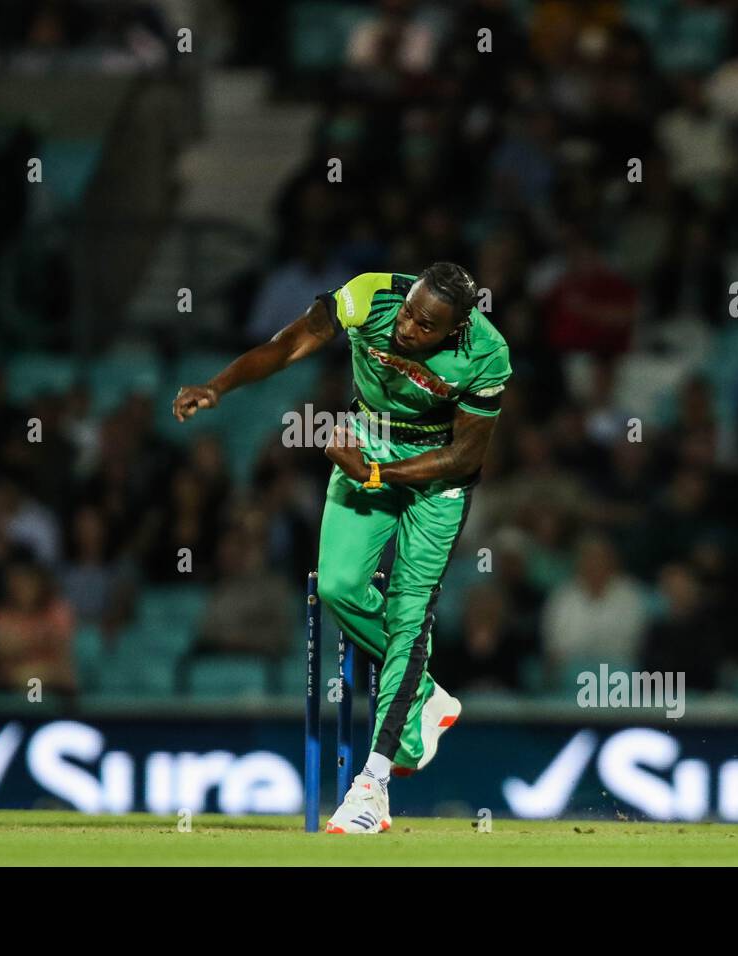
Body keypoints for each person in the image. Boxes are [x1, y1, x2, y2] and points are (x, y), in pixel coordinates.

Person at [172, 263, 511, 834]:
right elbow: (287, 345)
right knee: (336, 586)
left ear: (456, 330)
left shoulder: (486, 352)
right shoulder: (370, 296)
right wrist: (219, 385)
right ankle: (423, 694)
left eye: (426, 326)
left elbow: (464, 458)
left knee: (409, 617)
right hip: (369, 443)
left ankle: (371, 788)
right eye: (409, 312)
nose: (407, 328)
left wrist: (376, 473)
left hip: (435, 482)